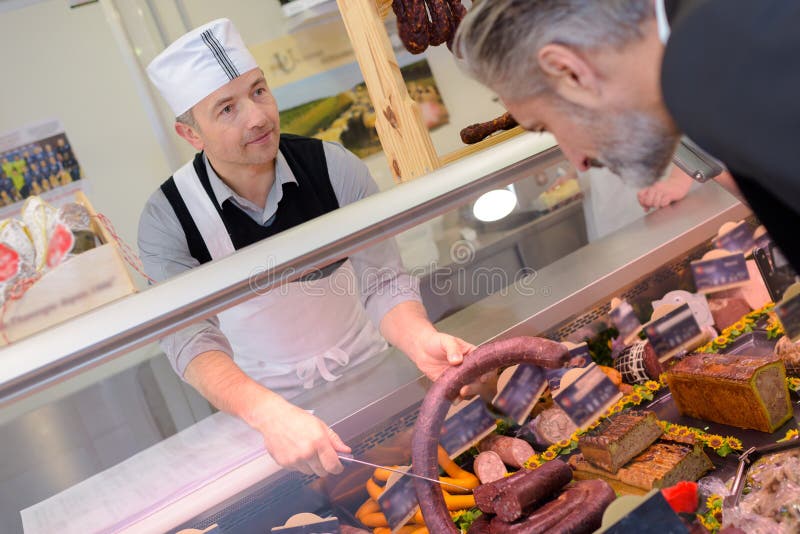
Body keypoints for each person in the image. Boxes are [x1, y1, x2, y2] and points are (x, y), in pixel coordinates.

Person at [140, 19, 474, 478]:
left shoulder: (332, 167)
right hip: (266, 412)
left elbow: (383, 281)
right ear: (191, 135)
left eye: (259, 91)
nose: (257, 116)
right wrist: (267, 414)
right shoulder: (169, 219)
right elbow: (190, 341)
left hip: (373, 372)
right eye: (227, 109)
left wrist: (419, 339)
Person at [454, 0, 799, 269]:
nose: (578, 161)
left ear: (568, 71)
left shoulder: (730, 62)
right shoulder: (704, 58)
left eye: (546, 126)